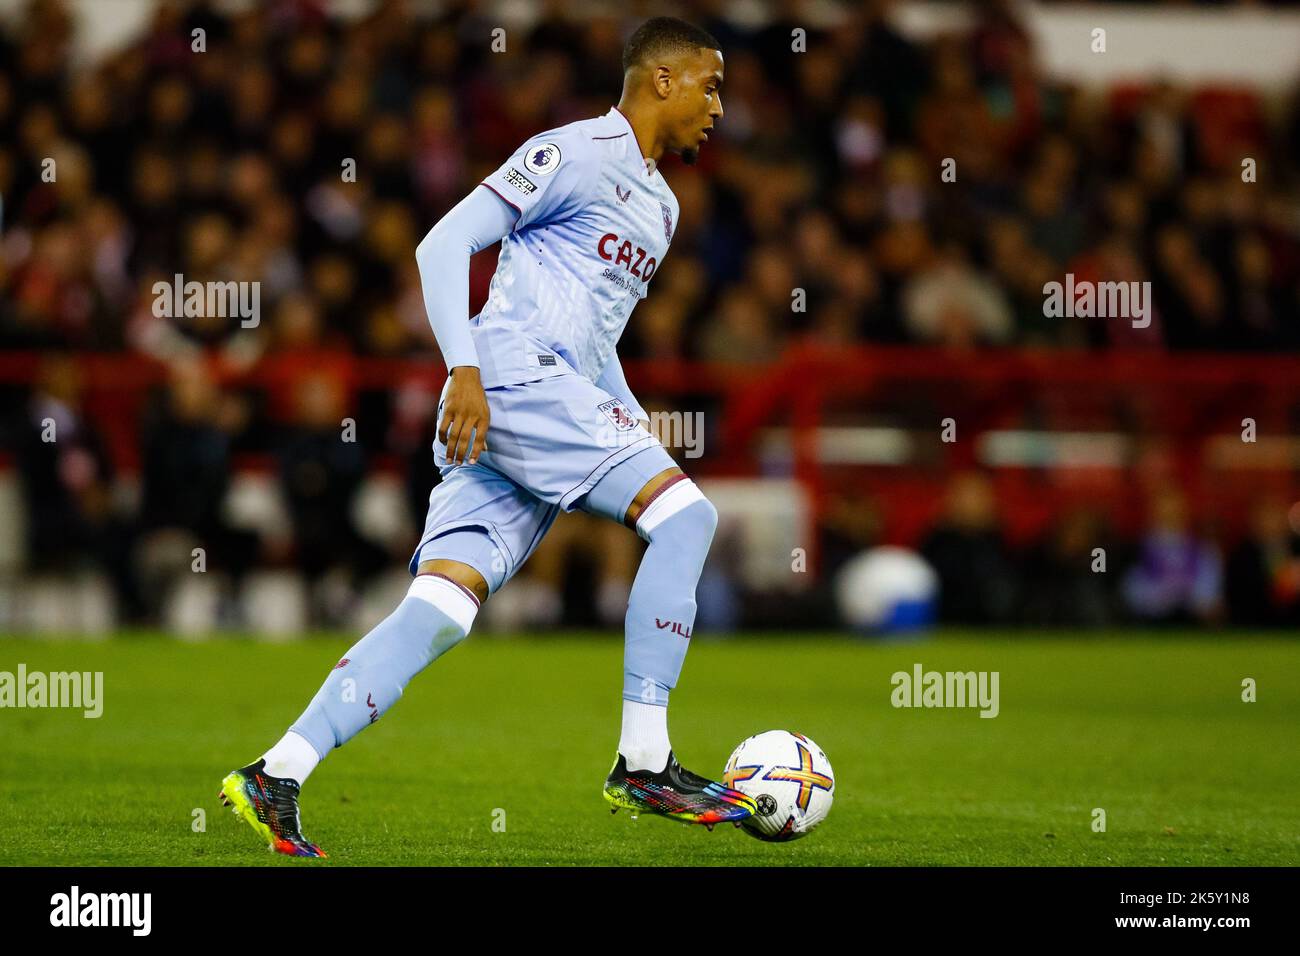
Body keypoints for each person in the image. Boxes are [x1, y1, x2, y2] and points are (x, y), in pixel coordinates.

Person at [219, 17, 753, 857]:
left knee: (441, 610)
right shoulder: (572, 151)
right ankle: (644, 759)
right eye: (711, 85)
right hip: (507, 375)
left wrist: (626, 414)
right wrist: (464, 370)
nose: (720, 107)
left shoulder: (663, 208)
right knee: (686, 519)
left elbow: (598, 335)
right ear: (661, 81)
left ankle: (274, 772)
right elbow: (443, 245)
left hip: (544, 395)